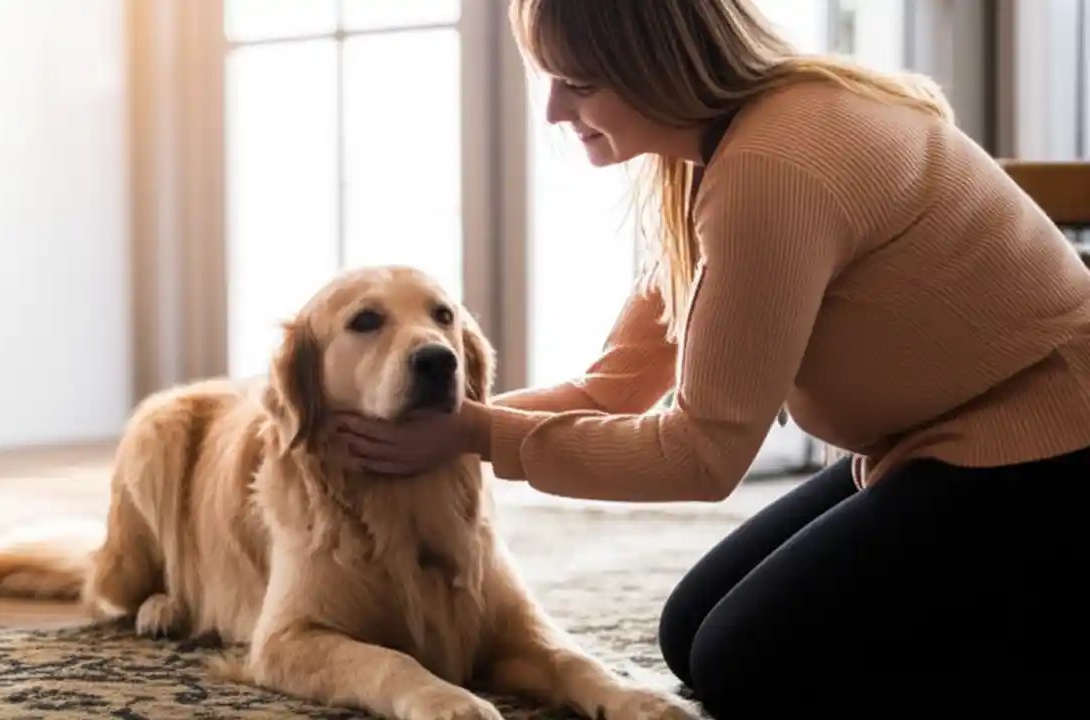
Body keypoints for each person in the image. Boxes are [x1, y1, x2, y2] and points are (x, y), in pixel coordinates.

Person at [332, 0, 1090, 715]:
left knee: (748, 664)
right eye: (549, 79)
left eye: (580, 84)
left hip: (1046, 443)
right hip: (929, 440)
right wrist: (456, 429)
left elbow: (703, 455)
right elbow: (618, 384)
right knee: (691, 633)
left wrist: (473, 436)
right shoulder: (707, 151)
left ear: (661, 68)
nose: (555, 112)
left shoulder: (775, 166)